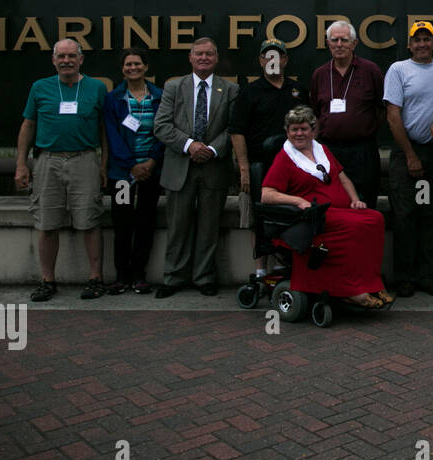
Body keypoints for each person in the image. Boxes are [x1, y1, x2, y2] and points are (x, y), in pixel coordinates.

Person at [260, 106, 390, 308]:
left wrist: (355, 200)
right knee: (353, 227)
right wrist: (298, 201)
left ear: (313, 130)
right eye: (294, 129)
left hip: (341, 210)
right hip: (313, 217)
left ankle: (370, 283)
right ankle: (350, 290)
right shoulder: (285, 159)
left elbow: (343, 178)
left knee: (375, 219)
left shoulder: (322, 150)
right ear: (287, 132)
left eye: (304, 129)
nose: (299, 134)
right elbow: (267, 194)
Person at [15, 39, 109, 301]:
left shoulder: (97, 88)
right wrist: (21, 164)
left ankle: (95, 278)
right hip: (48, 160)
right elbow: (28, 126)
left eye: (71, 56)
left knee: (89, 220)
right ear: (53, 60)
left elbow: (104, 130)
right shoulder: (40, 87)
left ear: (81, 59)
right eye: (61, 56)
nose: (66, 60)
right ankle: (47, 280)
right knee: (47, 223)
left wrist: (104, 164)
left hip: (84, 159)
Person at [152, 37, 239, 298]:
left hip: (214, 166)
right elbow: (162, 125)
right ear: (190, 57)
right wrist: (190, 145)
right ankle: (173, 277)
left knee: (209, 226)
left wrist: (211, 149)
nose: (204, 58)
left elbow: (232, 128)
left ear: (216, 58)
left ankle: (204, 277)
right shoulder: (174, 87)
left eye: (209, 54)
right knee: (178, 225)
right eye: (199, 54)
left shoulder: (231, 89)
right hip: (180, 166)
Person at [383, 20, 433, 298]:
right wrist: (411, 155)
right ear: (410, 44)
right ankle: (405, 277)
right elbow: (392, 115)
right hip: (407, 152)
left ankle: (429, 276)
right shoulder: (398, 70)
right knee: (405, 215)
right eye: (417, 39)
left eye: (428, 39)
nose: (423, 44)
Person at [231, 39, 309, 280]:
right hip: (259, 167)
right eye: (268, 56)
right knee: (259, 217)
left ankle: (282, 266)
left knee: (288, 214)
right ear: (262, 61)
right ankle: (260, 269)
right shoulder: (249, 92)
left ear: (284, 60)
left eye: (278, 56)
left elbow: (308, 129)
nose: (273, 60)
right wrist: (243, 168)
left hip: (291, 167)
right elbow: (237, 132)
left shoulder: (297, 91)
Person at [103, 47, 164, 294]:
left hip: (151, 172)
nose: (133, 68)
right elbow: (113, 135)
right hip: (122, 175)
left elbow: (163, 132)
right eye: (128, 64)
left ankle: (139, 275)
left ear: (146, 67)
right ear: (122, 69)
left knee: (146, 222)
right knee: (122, 223)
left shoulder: (158, 96)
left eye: (137, 63)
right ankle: (121, 276)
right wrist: (131, 166)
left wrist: (150, 162)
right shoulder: (113, 98)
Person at [309, 20, 383, 207]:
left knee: (365, 203)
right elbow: (316, 114)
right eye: (334, 40)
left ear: (354, 43)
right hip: (330, 150)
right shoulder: (320, 74)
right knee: (332, 203)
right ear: (328, 43)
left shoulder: (370, 70)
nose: (339, 45)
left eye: (344, 40)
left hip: (362, 151)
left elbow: (382, 109)